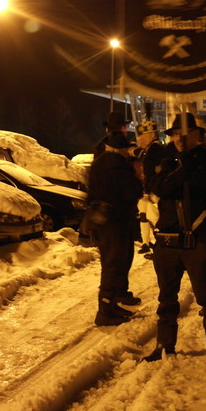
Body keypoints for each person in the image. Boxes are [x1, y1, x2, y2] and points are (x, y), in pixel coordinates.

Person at [144, 113, 206, 369]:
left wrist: (190, 170)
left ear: (196, 134)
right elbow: (160, 187)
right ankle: (164, 346)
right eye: (176, 134)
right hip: (168, 241)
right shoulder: (163, 158)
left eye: (186, 133)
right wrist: (182, 172)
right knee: (166, 300)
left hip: (200, 240)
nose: (180, 138)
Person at [86, 132, 143, 326]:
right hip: (115, 222)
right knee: (113, 265)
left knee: (112, 263)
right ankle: (105, 312)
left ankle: (111, 305)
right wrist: (137, 177)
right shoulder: (119, 167)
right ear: (121, 150)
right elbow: (132, 192)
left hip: (100, 220)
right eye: (127, 149)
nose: (128, 152)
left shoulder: (99, 163)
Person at [133, 118, 163, 256]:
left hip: (154, 193)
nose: (139, 139)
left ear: (152, 135)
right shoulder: (151, 149)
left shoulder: (155, 150)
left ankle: (160, 249)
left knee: (156, 221)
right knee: (147, 219)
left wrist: (147, 190)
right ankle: (153, 246)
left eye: (142, 136)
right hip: (151, 191)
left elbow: (152, 173)